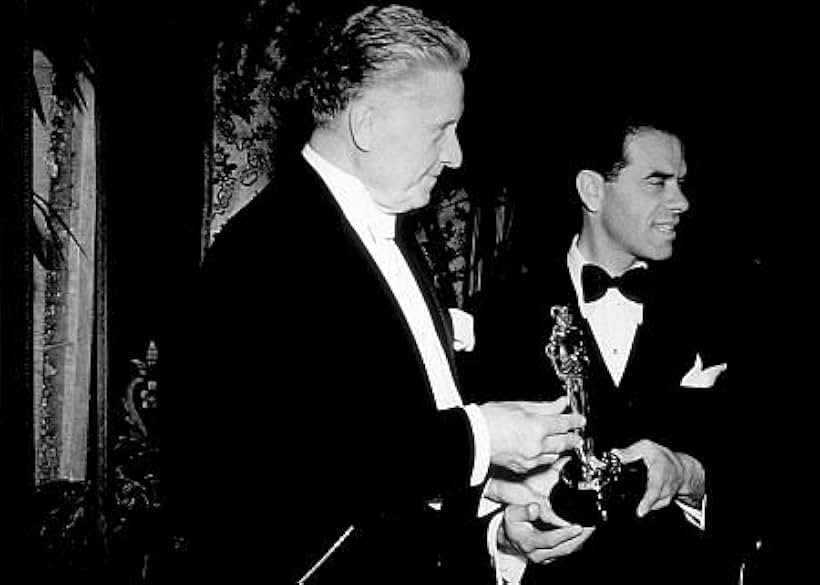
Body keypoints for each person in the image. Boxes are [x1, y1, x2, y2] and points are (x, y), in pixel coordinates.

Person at [166, 5, 585, 584]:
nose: (456, 155)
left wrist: (491, 530)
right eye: (441, 129)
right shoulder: (267, 253)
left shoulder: (392, 228)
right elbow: (298, 472)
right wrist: (482, 436)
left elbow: (387, 466)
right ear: (365, 125)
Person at [454, 109, 736, 585]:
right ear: (592, 190)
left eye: (681, 182)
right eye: (657, 182)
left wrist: (688, 476)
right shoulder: (497, 316)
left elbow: (764, 464)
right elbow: (458, 483)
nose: (681, 201)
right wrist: (504, 538)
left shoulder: (723, 308)